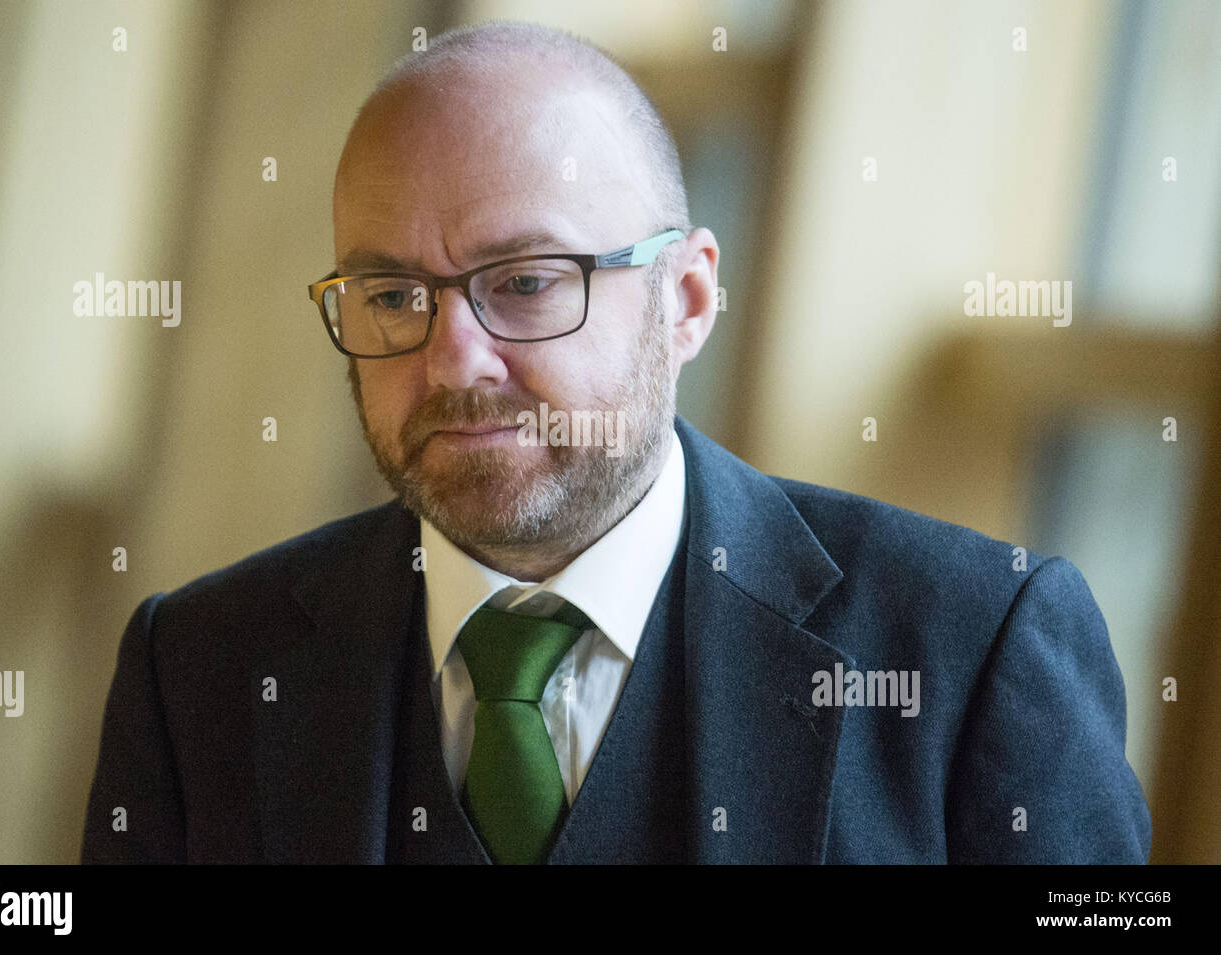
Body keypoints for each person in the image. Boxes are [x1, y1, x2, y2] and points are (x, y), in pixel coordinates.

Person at [81, 20, 1150, 864]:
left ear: (685, 299)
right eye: (392, 293)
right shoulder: (200, 669)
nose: (455, 361)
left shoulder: (972, 650)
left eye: (528, 282)